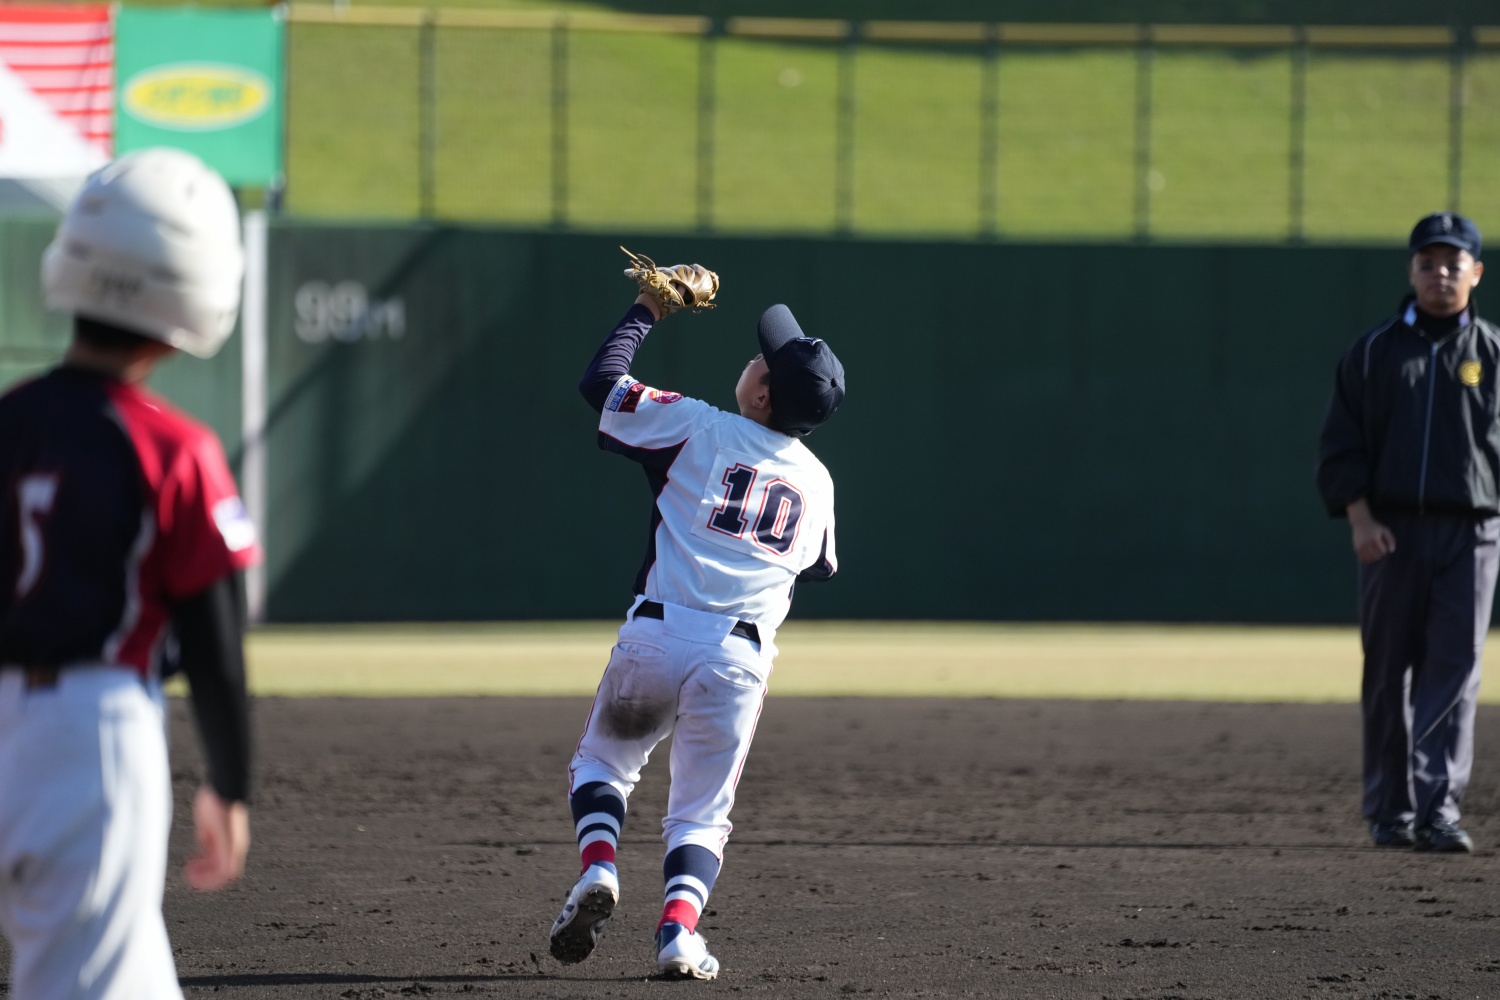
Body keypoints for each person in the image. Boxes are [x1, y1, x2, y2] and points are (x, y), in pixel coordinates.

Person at [0, 148, 258, 997]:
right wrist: (228, 785)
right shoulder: (174, 447)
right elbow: (214, 647)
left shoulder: (11, 422)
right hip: (89, 735)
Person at [548, 275, 844, 979]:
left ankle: (599, 864)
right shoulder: (820, 482)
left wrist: (648, 308)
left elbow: (602, 383)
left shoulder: (697, 425)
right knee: (701, 814)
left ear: (764, 394)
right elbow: (821, 566)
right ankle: (678, 936)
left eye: (759, 361)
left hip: (657, 631)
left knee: (602, 765)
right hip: (739, 658)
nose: (750, 361)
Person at [1318, 211, 1496, 854]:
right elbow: (1342, 447)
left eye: (1454, 263)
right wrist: (1360, 519)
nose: (1440, 273)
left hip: (1472, 535)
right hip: (1391, 534)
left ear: (1476, 273)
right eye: (1428, 262)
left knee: (1455, 670)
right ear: (1412, 271)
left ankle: (1438, 810)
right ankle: (1391, 808)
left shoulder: (1494, 355)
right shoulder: (1374, 352)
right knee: (1389, 672)